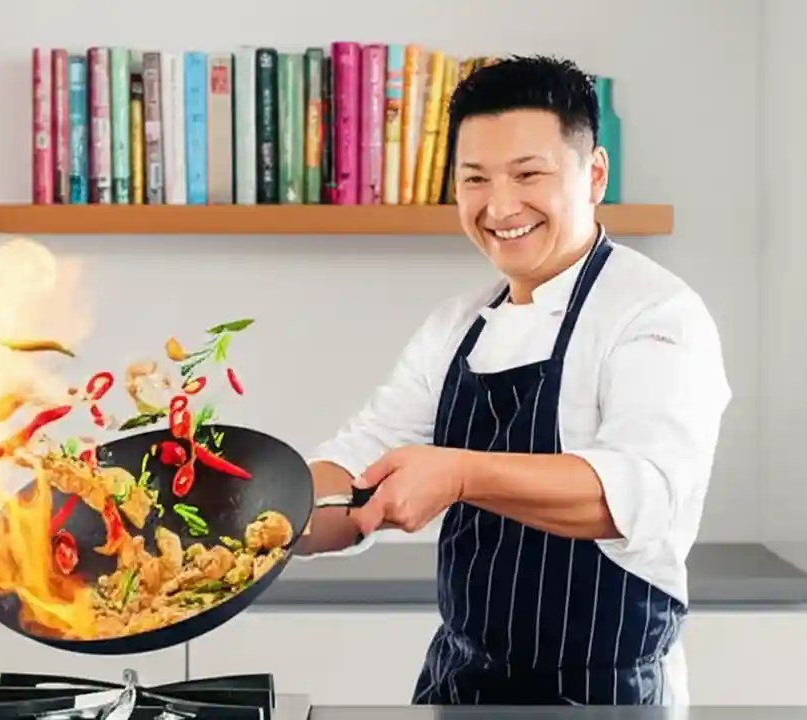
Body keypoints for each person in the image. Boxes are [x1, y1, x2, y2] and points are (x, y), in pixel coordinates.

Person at [293, 55, 731, 706]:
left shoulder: (656, 314)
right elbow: (357, 470)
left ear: (594, 176)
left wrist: (461, 475)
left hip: (605, 697)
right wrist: (241, 516)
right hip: (460, 690)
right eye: (475, 179)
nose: (500, 206)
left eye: (529, 174)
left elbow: (637, 496)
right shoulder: (457, 326)